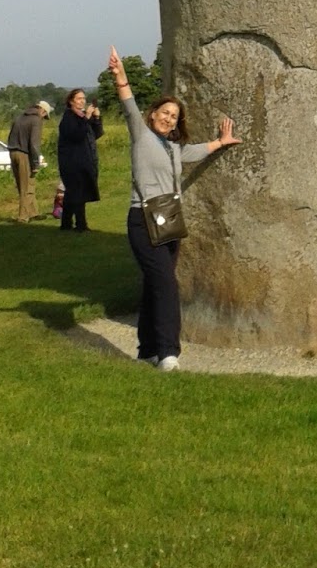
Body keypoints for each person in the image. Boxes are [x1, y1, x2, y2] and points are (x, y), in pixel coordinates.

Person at [108, 46, 241, 372]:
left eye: (174, 117)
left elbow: (192, 152)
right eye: (165, 112)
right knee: (167, 284)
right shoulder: (141, 135)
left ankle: (147, 350)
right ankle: (168, 352)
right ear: (153, 114)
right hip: (143, 218)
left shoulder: (171, 148)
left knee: (154, 284)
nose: (169, 118)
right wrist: (120, 76)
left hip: (169, 218)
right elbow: (128, 104)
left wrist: (220, 142)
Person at [56, 89, 103, 232]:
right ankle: (80, 225)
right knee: (77, 193)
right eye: (79, 98)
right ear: (71, 101)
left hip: (84, 160)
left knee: (73, 193)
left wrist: (96, 119)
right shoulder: (69, 118)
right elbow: (77, 135)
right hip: (72, 162)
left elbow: (95, 134)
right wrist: (87, 117)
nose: (82, 101)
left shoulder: (82, 117)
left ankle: (66, 224)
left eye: (84, 98)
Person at [6, 99, 51, 222]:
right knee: (26, 187)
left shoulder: (19, 118)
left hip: (12, 152)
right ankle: (23, 216)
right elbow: (34, 144)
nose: (43, 118)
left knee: (25, 184)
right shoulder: (36, 120)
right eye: (45, 115)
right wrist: (35, 163)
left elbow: (10, 137)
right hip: (24, 154)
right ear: (42, 110)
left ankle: (33, 212)